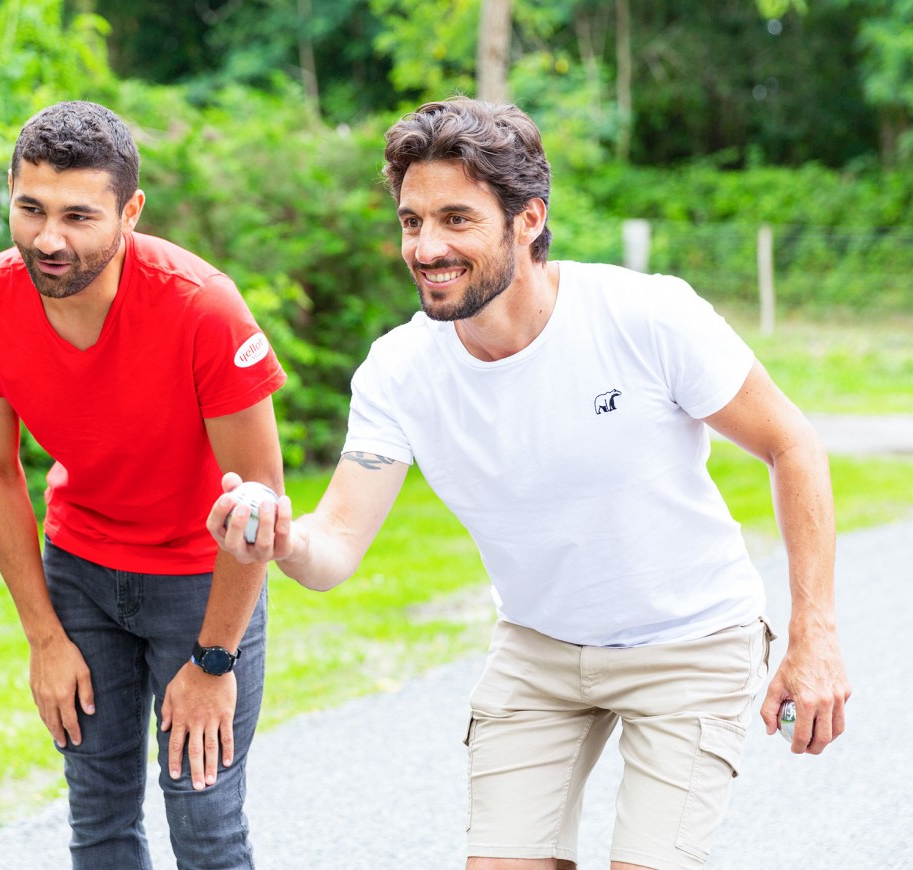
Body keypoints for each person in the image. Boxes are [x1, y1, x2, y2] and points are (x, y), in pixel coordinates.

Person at [210, 97, 850, 870]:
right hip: (539, 649)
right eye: (412, 221)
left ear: (528, 220)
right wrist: (283, 536)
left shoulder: (645, 317)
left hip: (690, 642)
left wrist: (815, 637)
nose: (427, 247)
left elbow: (792, 443)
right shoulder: (399, 371)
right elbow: (335, 545)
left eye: (456, 219)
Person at [0, 100, 286, 869]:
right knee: (97, 819)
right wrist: (44, 637)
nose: (49, 238)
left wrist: (214, 661)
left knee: (205, 825)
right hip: (82, 573)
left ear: (130, 212)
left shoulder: (203, 308)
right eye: (30, 208)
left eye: (78, 216)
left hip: (200, 582)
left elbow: (259, 503)